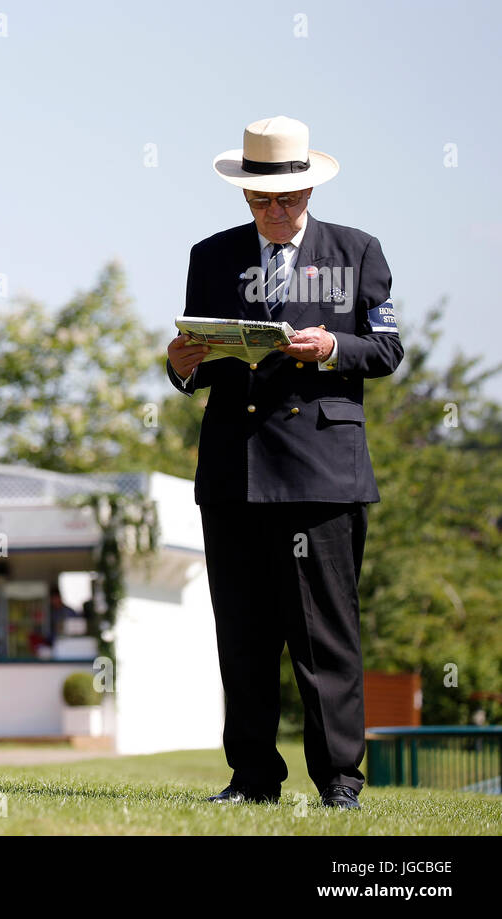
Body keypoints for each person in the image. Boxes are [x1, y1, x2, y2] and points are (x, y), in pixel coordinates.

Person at [166, 116, 403, 811]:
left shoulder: (358, 252)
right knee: (242, 636)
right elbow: (200, 360)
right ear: (243, 195)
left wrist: (331, 345)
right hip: (235, 471)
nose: (274, 211)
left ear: (307, 188)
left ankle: (339, 782)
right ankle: (251, 779)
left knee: (324, 636)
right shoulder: (210, 256)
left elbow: (386, 350)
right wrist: (181, 366)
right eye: (260, 200)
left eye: (287, 199)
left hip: (322, 474)